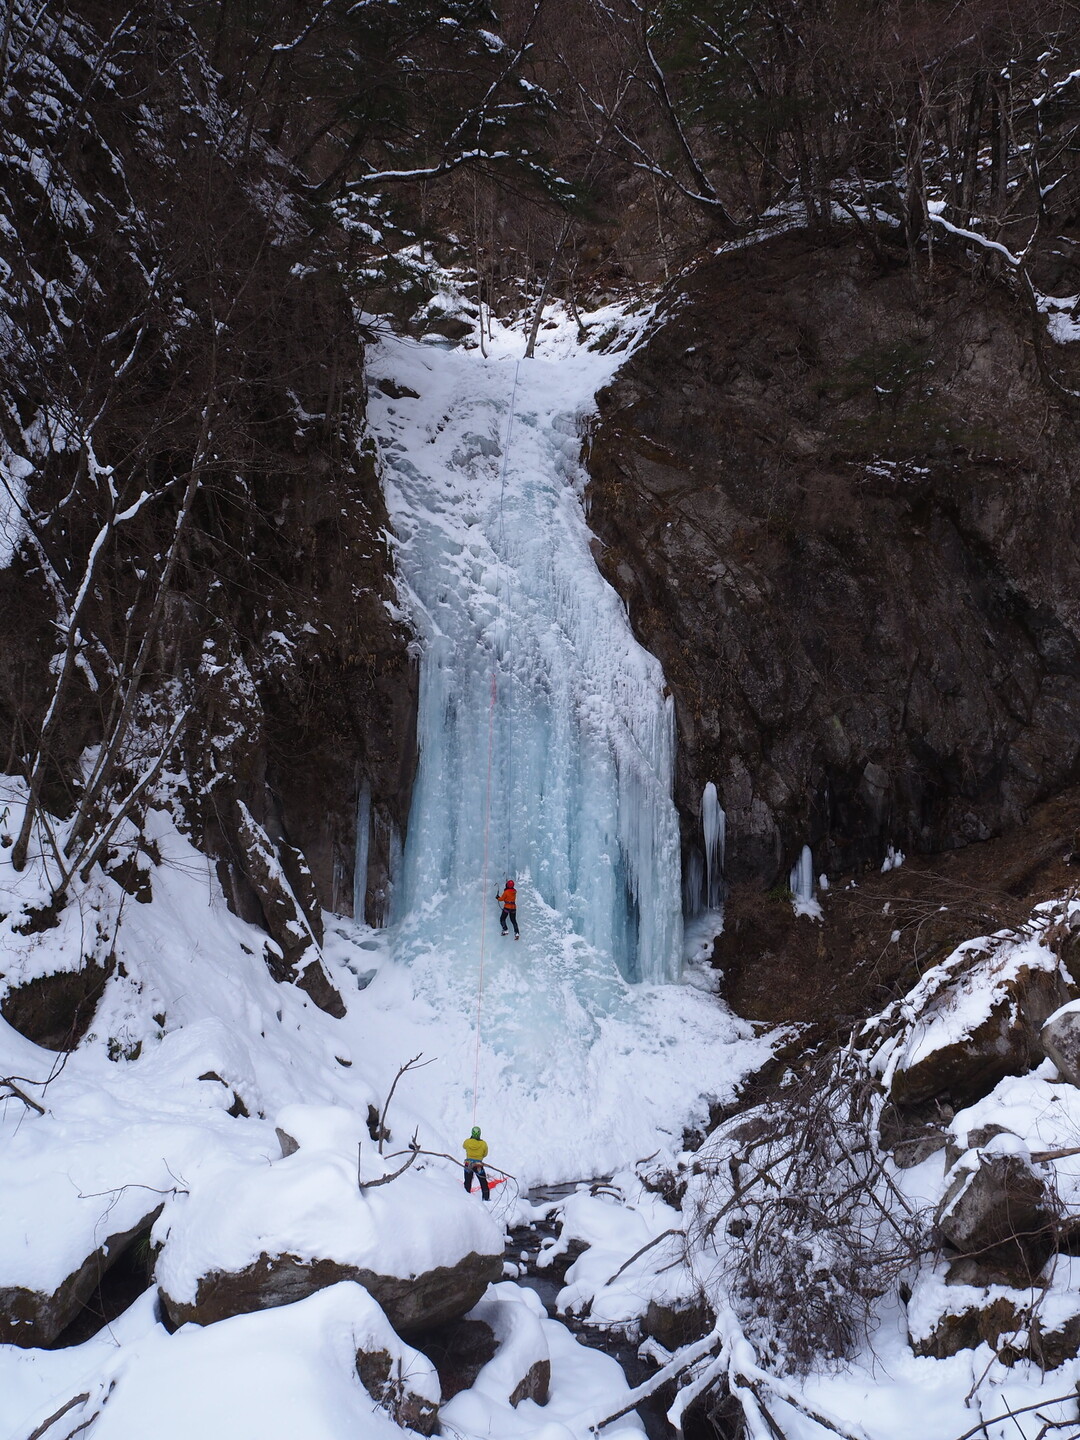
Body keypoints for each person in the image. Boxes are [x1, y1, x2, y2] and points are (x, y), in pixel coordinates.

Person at [462, 1125, 490, 1200]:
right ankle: (486, 1198)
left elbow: (464, 1146)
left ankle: (466, 1197)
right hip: (478, 1165)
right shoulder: (483, 1144)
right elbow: (485, 1154)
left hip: (468, 1164)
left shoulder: (467, 1142)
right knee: (483, 1182)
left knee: (467, 1182)